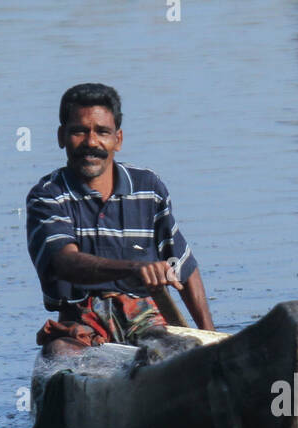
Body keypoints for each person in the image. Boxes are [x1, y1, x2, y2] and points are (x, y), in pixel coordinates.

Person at [26, 83, 214, 358]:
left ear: (118, 140)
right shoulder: (48, 196)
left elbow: (183, 266)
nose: (92, 142)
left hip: (145, 319)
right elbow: (65, 263)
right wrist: (134, 269)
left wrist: (211, 338)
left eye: (102, 132)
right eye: (79, 131)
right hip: (82, 323)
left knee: (175, 352)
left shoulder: (148, 188)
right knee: (59, 354)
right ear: (61, 137)